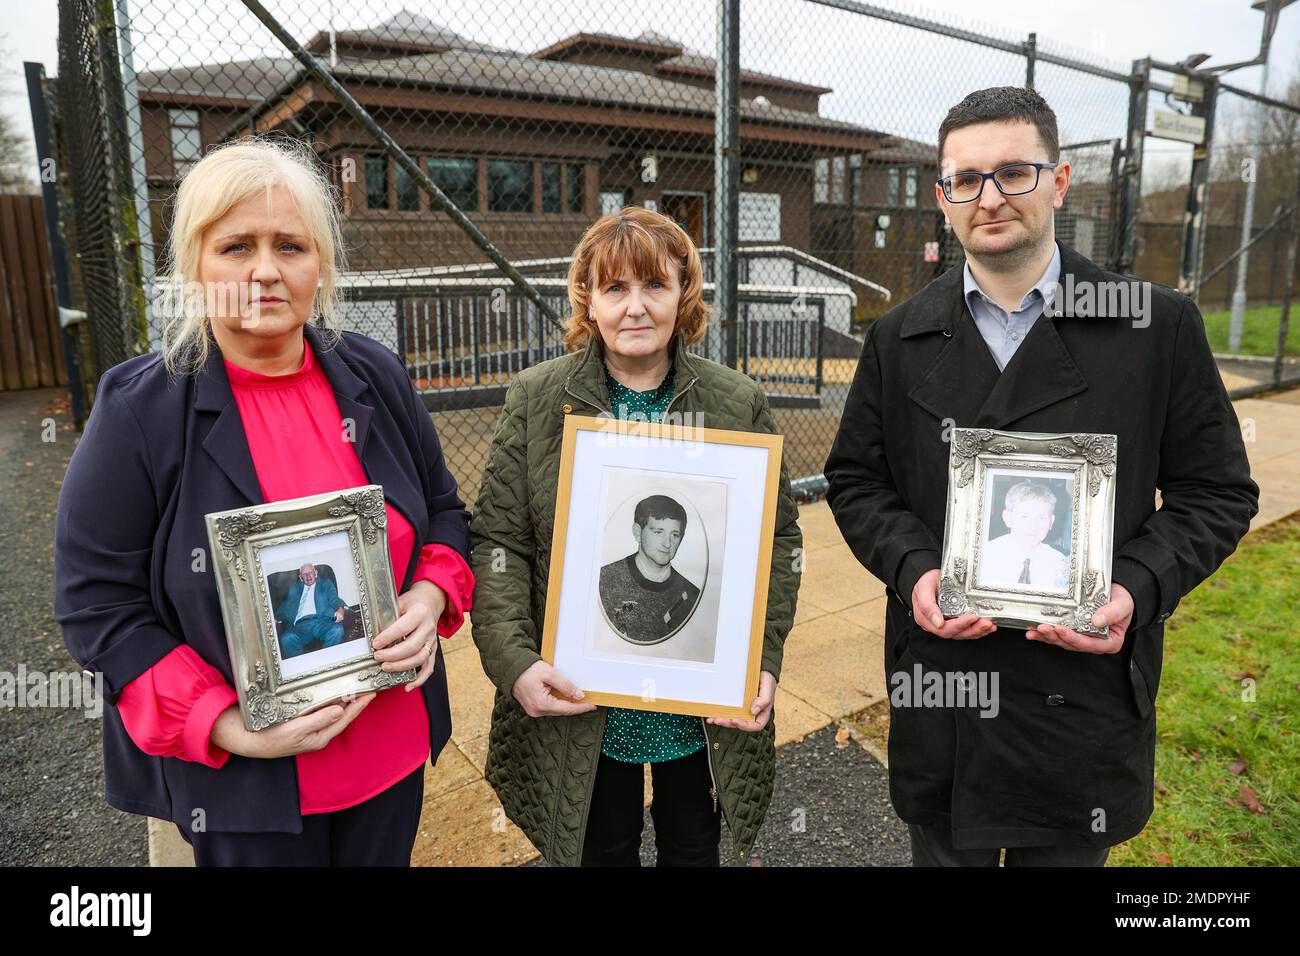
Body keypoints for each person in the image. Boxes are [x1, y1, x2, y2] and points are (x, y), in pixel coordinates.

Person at [824, 87, 1258, 866]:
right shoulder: (898, 337)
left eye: (1014, 173)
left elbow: (1217, 492)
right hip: (947, 685)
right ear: (943, 198)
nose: (989, 197)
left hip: (1077, 696)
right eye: (966, 179)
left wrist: (1134, 586)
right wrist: (916, 569)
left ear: (1059, 182)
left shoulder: (1154, 326)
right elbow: (857, 481)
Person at [54, 136, 474, 866]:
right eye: (236, 247)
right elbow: (98, 606)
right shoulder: (140, 411)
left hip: (389, 746)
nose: (266, 272)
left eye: (291, 245)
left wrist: (432, 597)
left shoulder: (375, 375)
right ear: (195, 265)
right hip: (251, 781)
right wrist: (224, 724)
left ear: (322, 266)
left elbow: (442, 508)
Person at [469, 206, 802, 866]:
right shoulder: (537, 400)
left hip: (698, 707)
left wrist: (760, 659)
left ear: (685, 295)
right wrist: (516, 662)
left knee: (693, 845)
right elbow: (498, 542)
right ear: (587, 299)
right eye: (616, 288)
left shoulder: (737, 402)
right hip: (582, 702)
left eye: (655, 285)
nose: (636, 307)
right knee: (602, 846)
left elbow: (779, 542)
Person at [598, 494, 702, 644]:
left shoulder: (693, 596)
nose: (667, 543)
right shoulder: (604, 579)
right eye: (658, 532)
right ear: (638, 533)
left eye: (674, 535)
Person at [978, 481, 1068, 590]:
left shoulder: (1060, 565)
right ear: (1008, 518)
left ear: (1051, 522)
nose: (1033, 526)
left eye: (1042, 518)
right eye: (1024, 516)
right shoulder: (984, 557)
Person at [276, 563, 348, 657]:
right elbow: (285, 607)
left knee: (337, 630)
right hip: (300, 626)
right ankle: (302, 668)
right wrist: (275, 618)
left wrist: (340, 611)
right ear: (301, 577)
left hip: (322, 622)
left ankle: (326, 662)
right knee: (287, 638)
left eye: (311, 572)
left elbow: (335, 599)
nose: (308, 576)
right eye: (304, 574)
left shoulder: (325, 584)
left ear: (316, 573)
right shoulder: (295, 590)